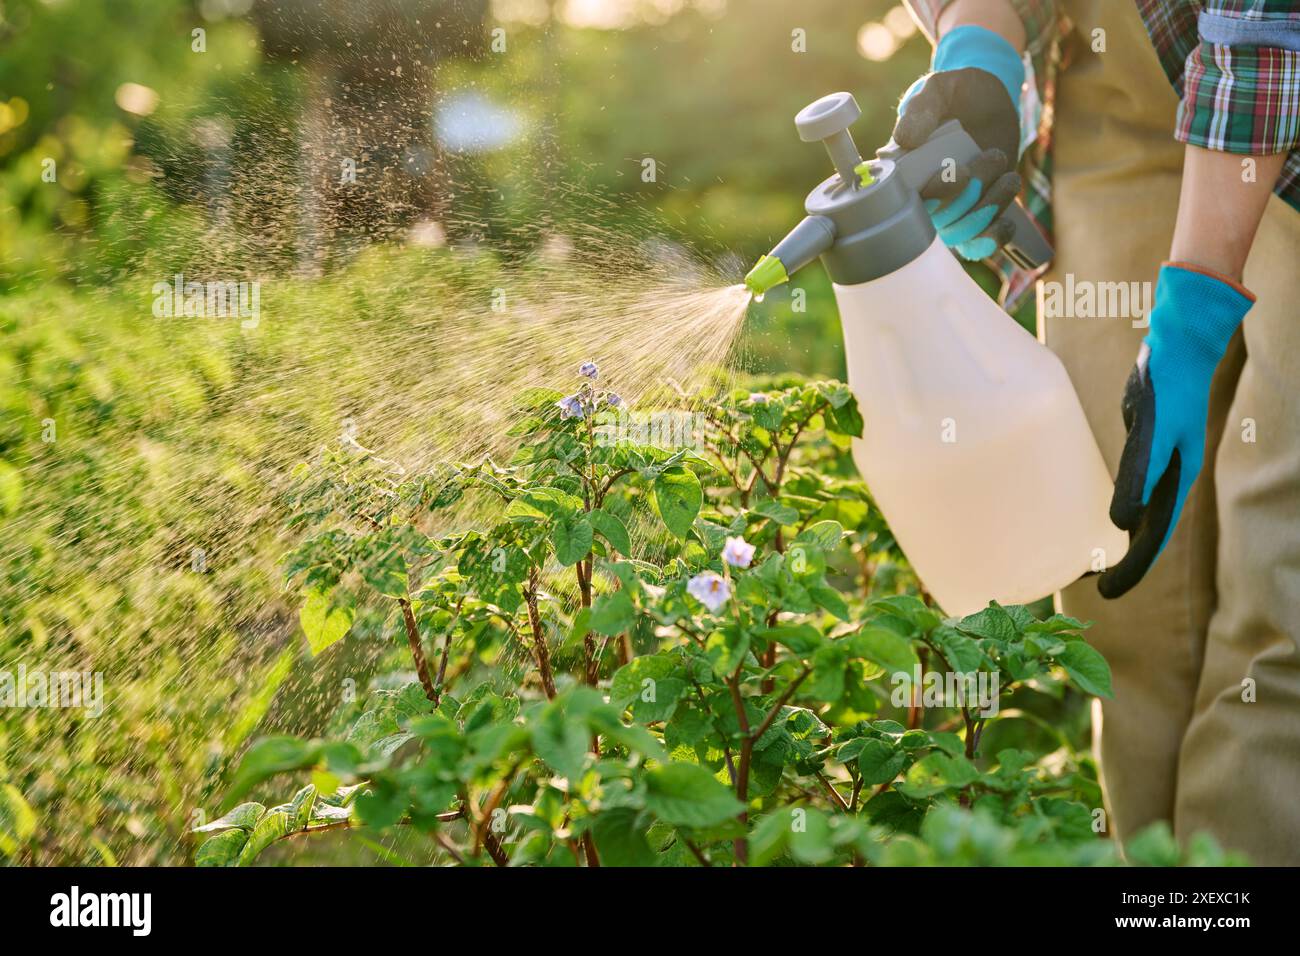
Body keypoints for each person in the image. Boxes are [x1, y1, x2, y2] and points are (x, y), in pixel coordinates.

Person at [897, 0, 1299, 864]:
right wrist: (980, 39)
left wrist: (1191, 324)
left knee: (1284, 588)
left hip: (1280, 77)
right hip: (1115, 86)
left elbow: (1266, 33)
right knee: (1119, 580)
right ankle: (1156, 883)